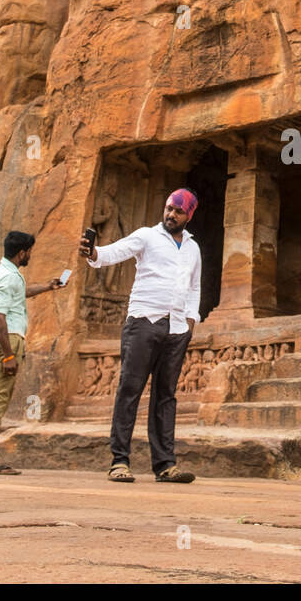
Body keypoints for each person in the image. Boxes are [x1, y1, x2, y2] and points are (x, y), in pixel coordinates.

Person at [80, 189, 202, 484]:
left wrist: (190, 321)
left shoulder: (192, 249)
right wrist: (93, 252)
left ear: (190, 215)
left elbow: (194, 287)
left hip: (175, 328)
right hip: (143, 322)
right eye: (168, 208)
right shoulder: (147, 236)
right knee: (129, 389)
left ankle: (164, 465)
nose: (171, 214)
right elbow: (115, 252)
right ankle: (119, 461)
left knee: (166, 396)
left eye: (178, 211)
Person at [0, 230, 62, 475]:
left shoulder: (8, 273)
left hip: (5, 340)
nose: (30, 256)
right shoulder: (8, 277)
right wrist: (8, 355)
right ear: (21, 253)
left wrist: (48, 286)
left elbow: (20, 294)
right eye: (29, 252)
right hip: (8, 340)